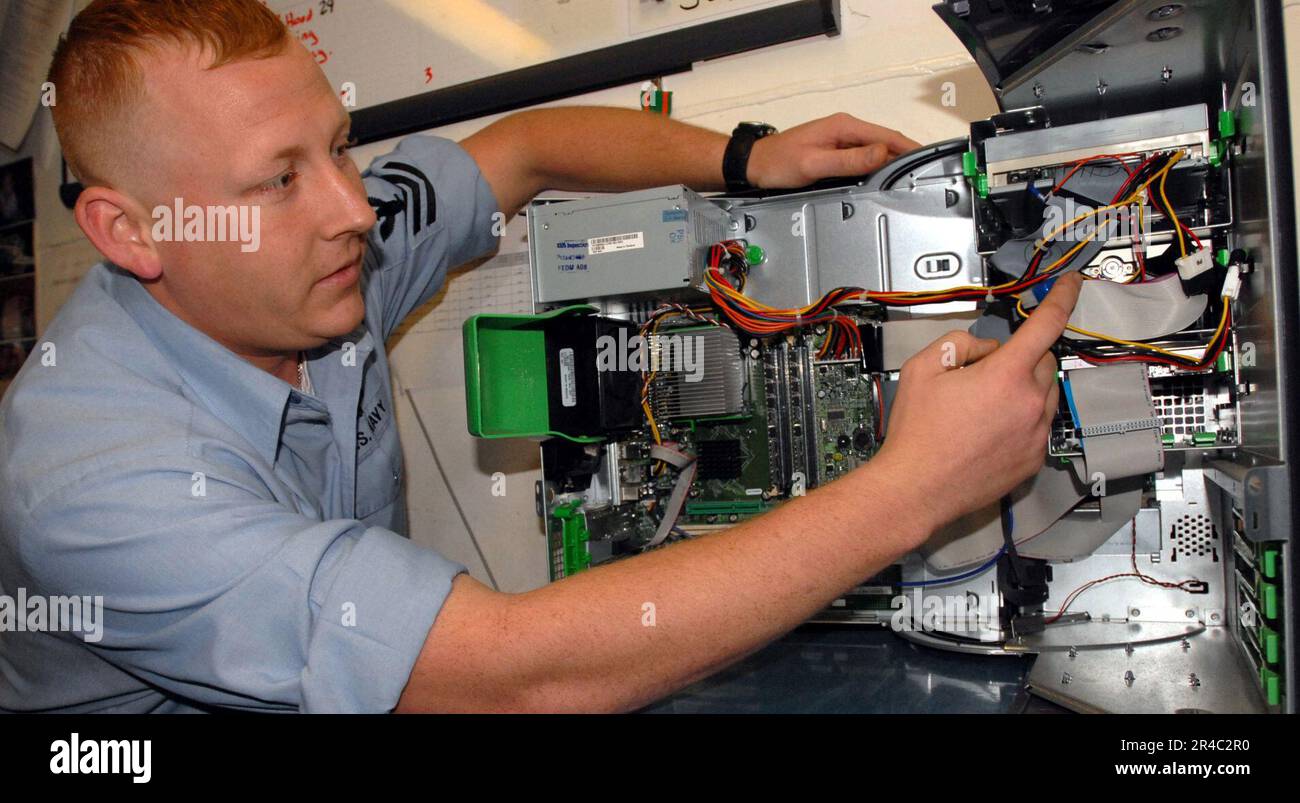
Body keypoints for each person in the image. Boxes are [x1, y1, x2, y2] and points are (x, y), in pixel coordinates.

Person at [0, 0, 1082, 713]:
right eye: (275, 180)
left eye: (335, 144)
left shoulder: (314, 256)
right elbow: (516, 675)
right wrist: (910, 490)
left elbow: (521, 149)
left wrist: (748, 157)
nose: (352, 211)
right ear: (132, 231)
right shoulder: (98, 485)